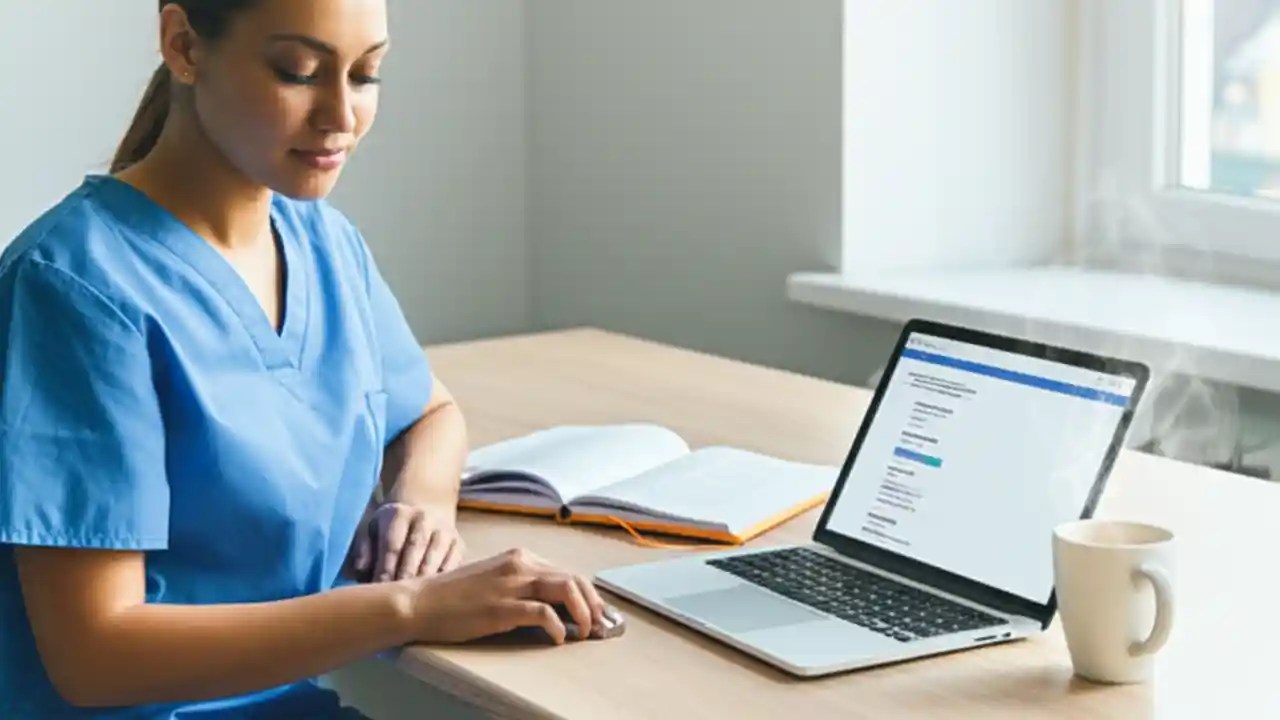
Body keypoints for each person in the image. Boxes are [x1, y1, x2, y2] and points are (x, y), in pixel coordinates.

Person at [0, 1, 614, 717]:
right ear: (183, 45)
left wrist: (422, 503)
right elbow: (96, 656)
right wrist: (412, 606)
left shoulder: (323, 243)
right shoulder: (75, 287)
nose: (341, 116)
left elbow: (429, 410)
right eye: (299, 72)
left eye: (366, 74)